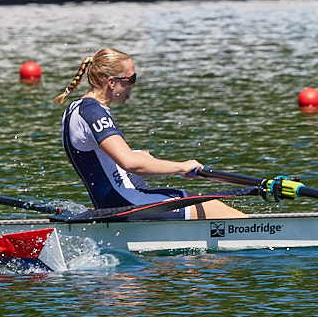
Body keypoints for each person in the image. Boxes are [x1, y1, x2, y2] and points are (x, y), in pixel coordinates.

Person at [55, 48, 245, 219]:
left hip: (111, 204)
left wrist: (135, 155)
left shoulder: (75, 109)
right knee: (227, 215)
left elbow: (81, 158)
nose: (134, 85)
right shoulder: (94, 114)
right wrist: (181, 167)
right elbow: (131, 164)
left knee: (200, 205)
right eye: (131, 79)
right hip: (127, 203)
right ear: (111, 82)